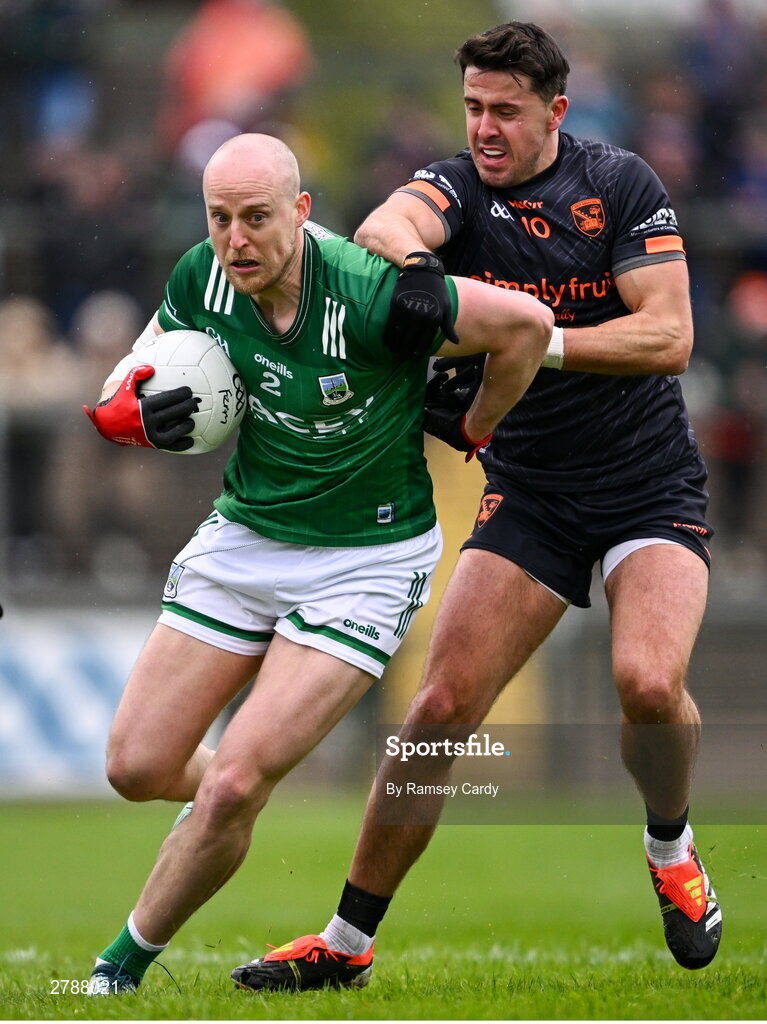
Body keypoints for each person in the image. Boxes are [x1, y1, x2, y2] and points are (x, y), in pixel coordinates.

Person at [231, 22, 722, 993]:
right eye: (474, 108)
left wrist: (533, 342)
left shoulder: (619, 184)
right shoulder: (457, 184)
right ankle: (346, 940)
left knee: (648, 685)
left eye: (505, 110)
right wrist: (417, 275)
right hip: (534, 489)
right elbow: (382, 227)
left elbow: (669, 336)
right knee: (438, 713)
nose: (486, 128)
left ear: (555, 112)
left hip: (647, 485)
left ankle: (671, 847)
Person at [82, 131, 552, 995]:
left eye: (257, 218)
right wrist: (124, 408)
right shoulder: (203, 276)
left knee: (232, 784)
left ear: (301, 212)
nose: (236, 241)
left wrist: (477, 425)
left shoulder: (372, 293)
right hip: (248, 536)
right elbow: (138, 366)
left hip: (365, 561)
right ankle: (223, 803)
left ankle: (116, 972)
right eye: (220, 219)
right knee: (135, 767)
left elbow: (527, 325)